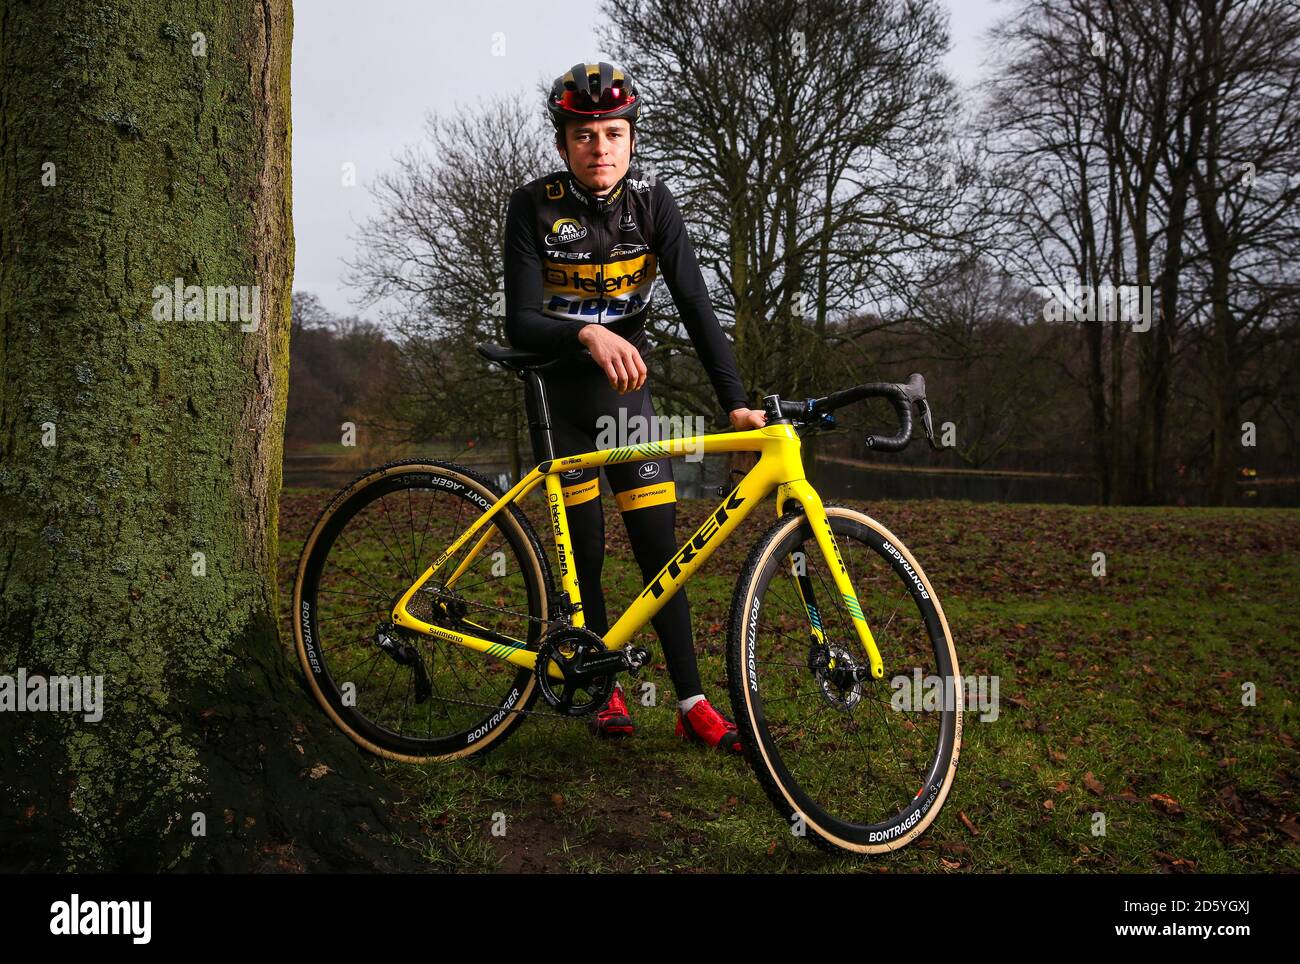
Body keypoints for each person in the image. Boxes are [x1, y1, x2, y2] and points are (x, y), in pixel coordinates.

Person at [503, 61, 767, 752]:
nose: (601, 147)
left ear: (631, 139)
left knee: (661, 555)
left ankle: (693, 701)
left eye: (614, 133)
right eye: (585, 134)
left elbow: (698, 308)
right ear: (564, 143)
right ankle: (602, 685)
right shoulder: (532, 204)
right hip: (562, 401)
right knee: (584, 554)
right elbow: (520, 324)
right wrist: (587, 333)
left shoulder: (654, 204)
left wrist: (734, 403)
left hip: (628, 407)